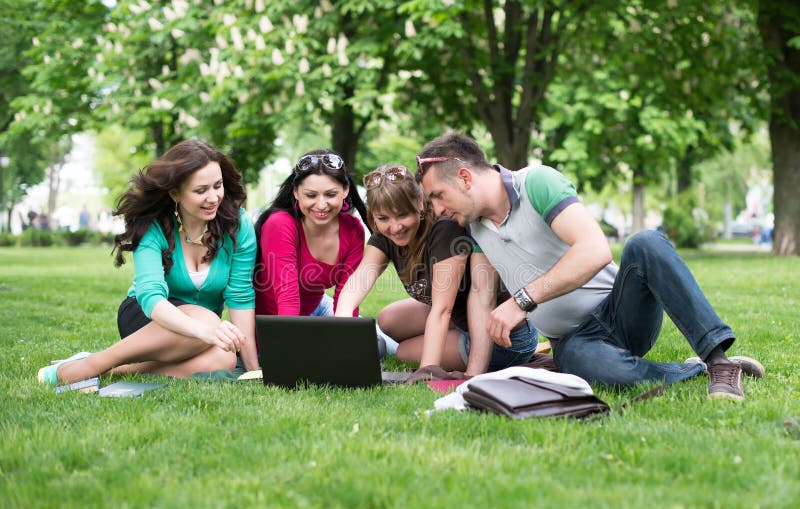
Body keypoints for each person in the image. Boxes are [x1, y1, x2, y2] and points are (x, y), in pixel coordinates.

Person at [416, 132, 764, 400]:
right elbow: (480, 295)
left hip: (622, 312)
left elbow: (594, 249)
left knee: (646, 243)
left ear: (464, 177)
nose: (436, 211)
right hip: (574, 342)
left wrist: (521, 300)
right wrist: (474, 377)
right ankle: (694, 372)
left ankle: (719, 363)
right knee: (592, 370)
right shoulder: (475, 228)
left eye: (436, 196)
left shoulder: (537, 182)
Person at [38, 139, 258, 386]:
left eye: (218, 186)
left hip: (202, 334)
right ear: (175, 193)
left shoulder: (237, 225)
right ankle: (95, 363)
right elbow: (151, 298)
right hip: (148, 319)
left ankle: (115, 371)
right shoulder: (153, 225)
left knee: (225, 360)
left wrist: (253, 368)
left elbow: (240, 295)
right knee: (207, 319)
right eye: (200, 190)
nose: (213, 197)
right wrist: (204, 329)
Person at [334, 164, 541, 378]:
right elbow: (360, 278)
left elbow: (442, 311)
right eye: (383, 218)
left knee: (405, 353)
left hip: (503, 337)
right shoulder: (386, 234)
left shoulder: (444, 229)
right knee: (387, 319)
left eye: (402, 215)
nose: (395, 227)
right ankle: (444, 341)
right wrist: (341, 322)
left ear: (419, 203)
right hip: (461, 319)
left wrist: (426, 372)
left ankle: (462, 349)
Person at [253, 150, 368, 319]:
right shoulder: (280, 224)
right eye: (311, 195)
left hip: (316, 309)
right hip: (274, 322)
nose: (321, 205)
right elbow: (288, 301)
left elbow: (347, 300)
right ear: (296, 192)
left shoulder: (353, 229)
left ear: (345, 190)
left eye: (330, 194)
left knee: (375, 342)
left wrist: (345, 339)